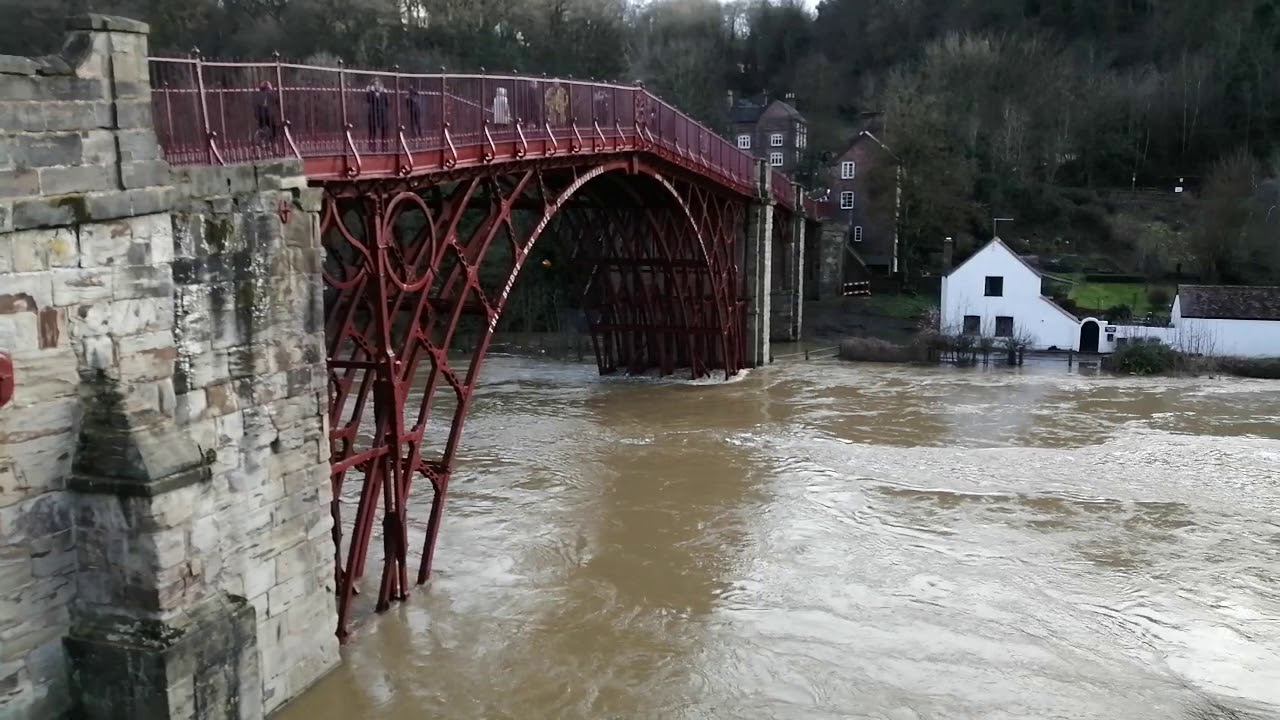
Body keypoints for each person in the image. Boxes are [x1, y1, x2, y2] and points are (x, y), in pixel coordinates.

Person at [366, 77, 388, 149]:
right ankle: (372, 146)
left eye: (378, 84)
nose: (376, 86)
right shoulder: (371, 93)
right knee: (372, 129)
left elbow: (387, 103)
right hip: (373, 112)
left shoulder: (383, 92)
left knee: (384, 129)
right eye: (375, 84)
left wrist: (384, 93)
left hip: (382, 112)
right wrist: (370, 92)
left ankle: (384, 145)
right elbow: (368, 100)